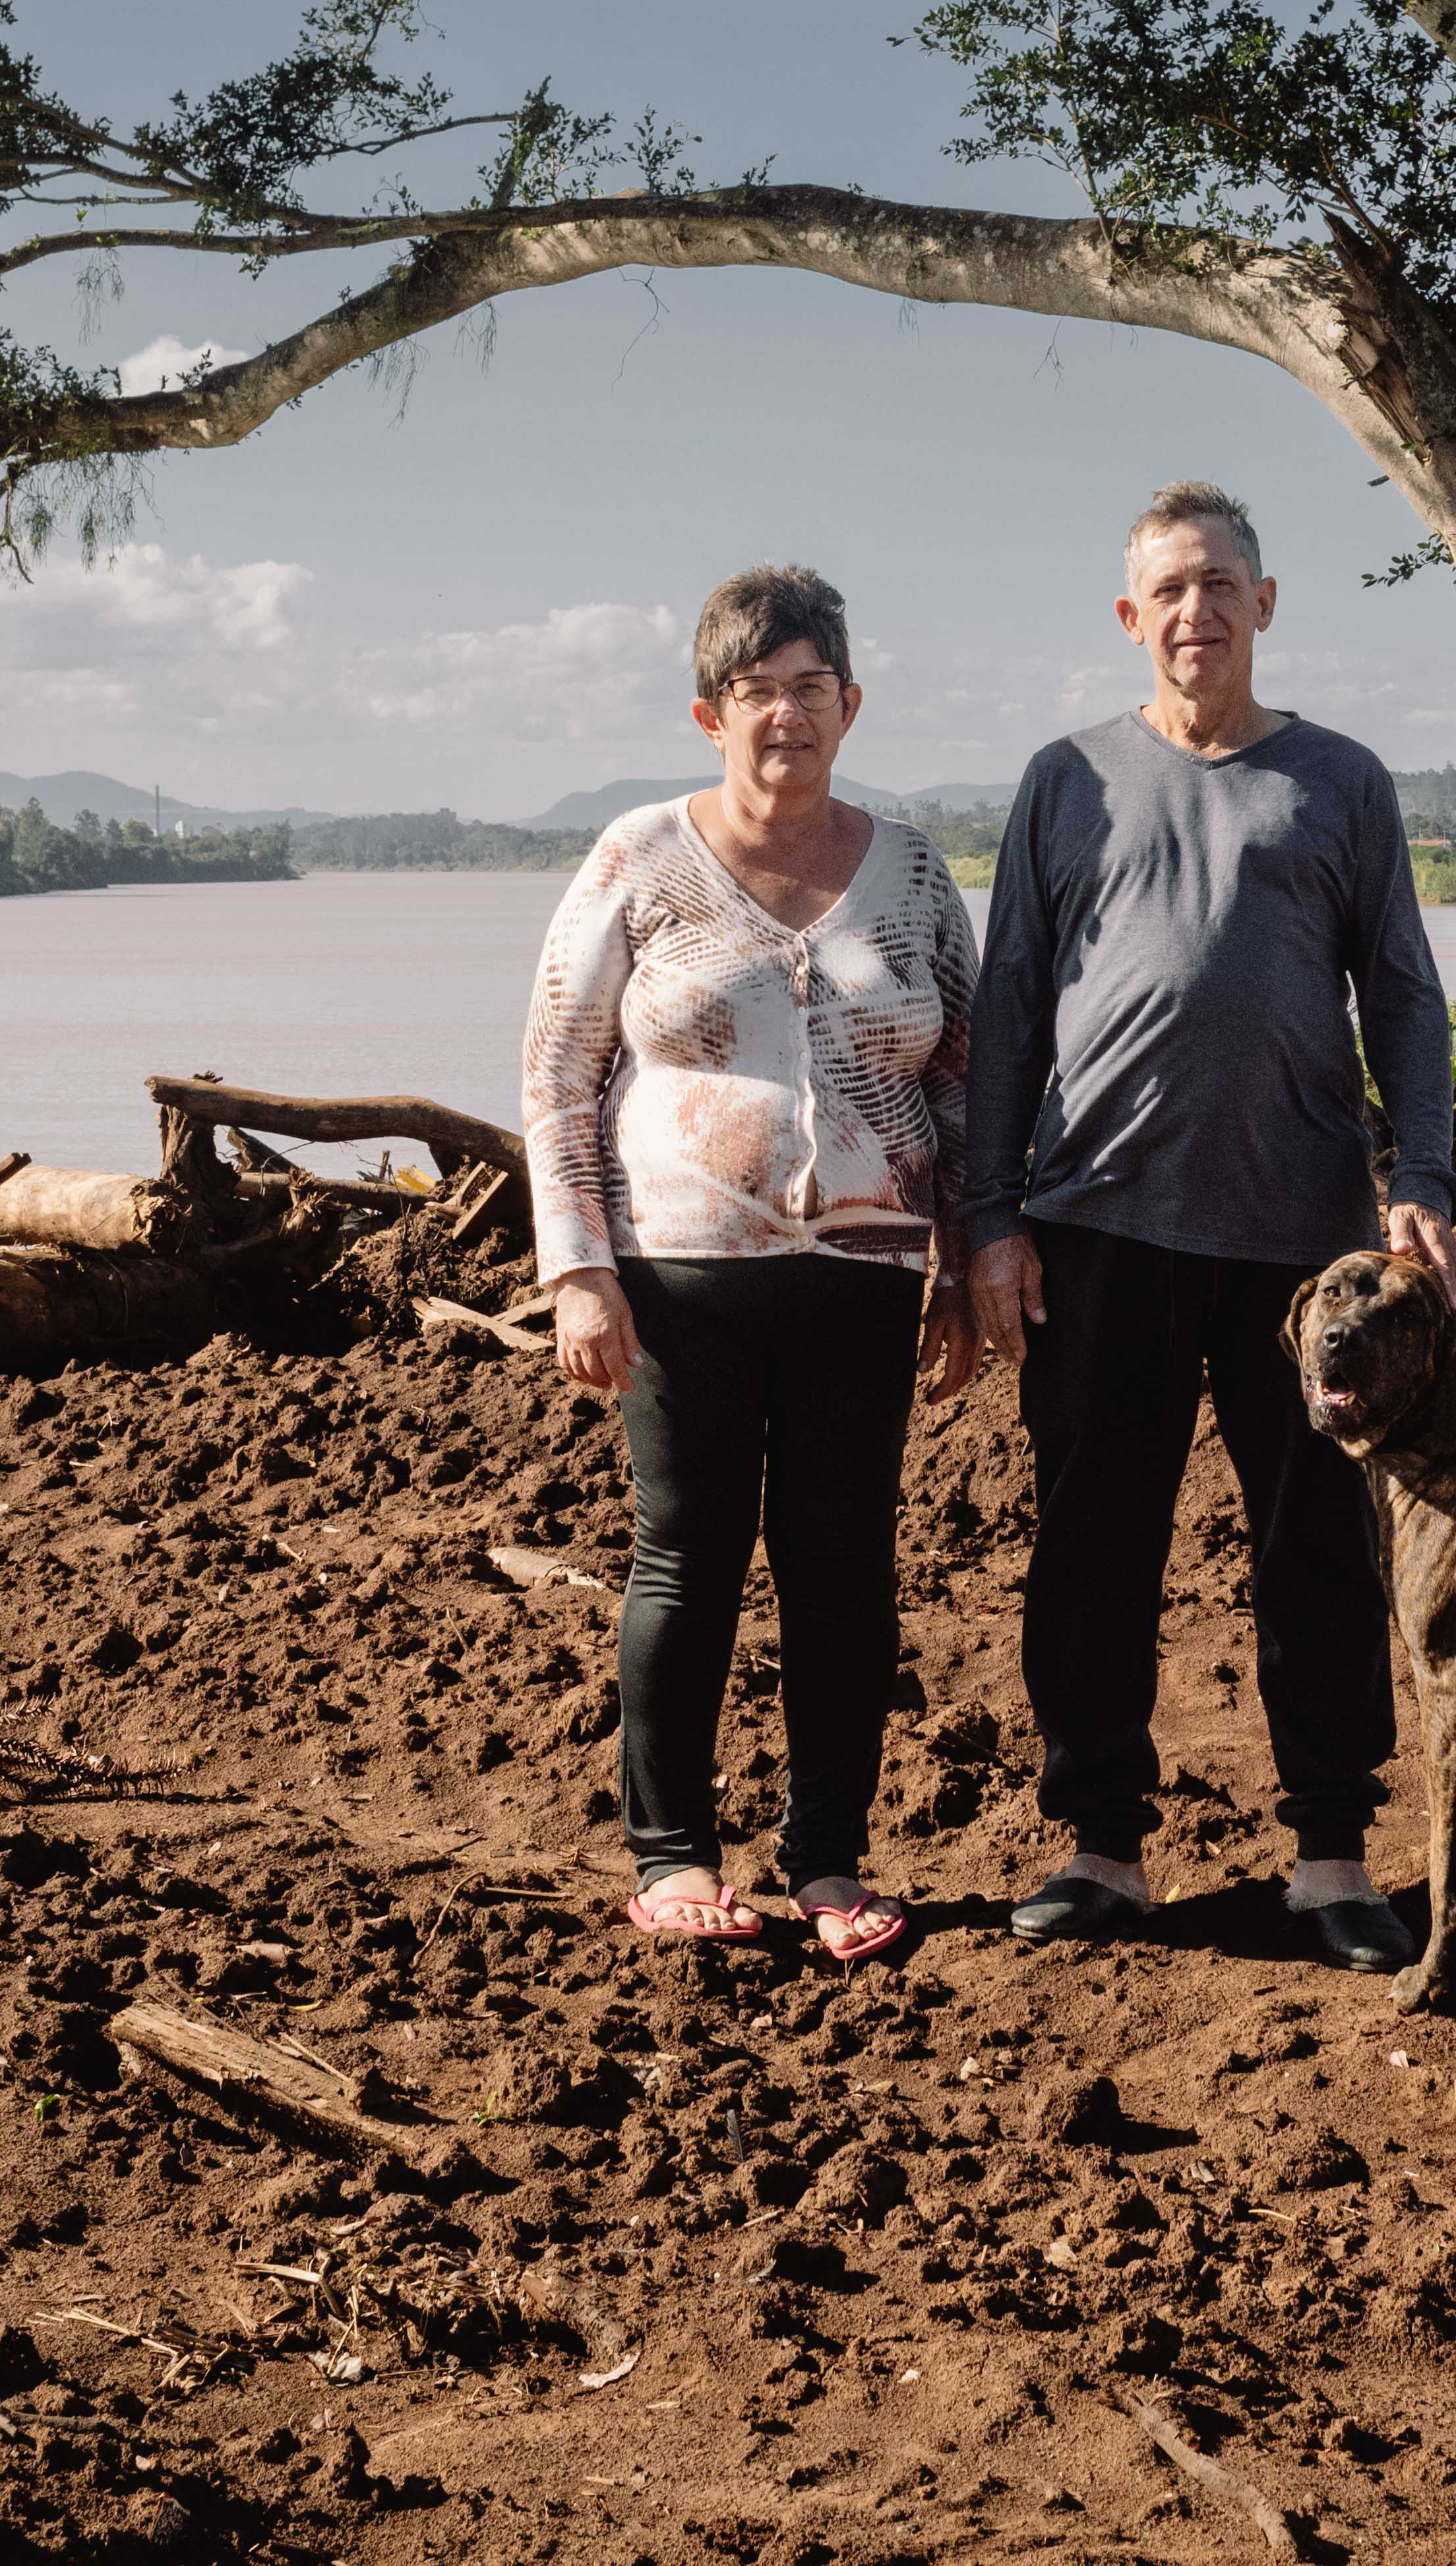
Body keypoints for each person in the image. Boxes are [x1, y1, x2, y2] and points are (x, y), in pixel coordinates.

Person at [961, 479, 1456, 1970]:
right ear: (1133, 617)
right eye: (1168, 589)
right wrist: (989, 1215)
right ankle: (1100, 1846)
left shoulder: (1339, 781)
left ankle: (1332, 1855)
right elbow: (1008, 1010)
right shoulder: (1065, 779)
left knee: (1316, 1542)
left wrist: (1421, 1179)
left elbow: (1405, 990)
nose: (1196, 611)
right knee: (1093, 1542)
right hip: (1097, 1223)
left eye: (1219, 584)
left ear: (1264, 603)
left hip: (1301, 1248)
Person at [522, 566, 977, 1965]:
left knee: (843, 1565)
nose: (787, 714)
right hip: (678, 1281)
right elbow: (557, 1070)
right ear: (709, 713)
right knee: (687, 1556)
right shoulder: (639, 856)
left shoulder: (911, 870)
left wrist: (964, 1262)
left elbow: (967, 1080)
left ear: (851, 703)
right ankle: (673, 1857)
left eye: (810, 687)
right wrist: (576, 1268)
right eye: (757, 691)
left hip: (866, 1280)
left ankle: (828, 1860)